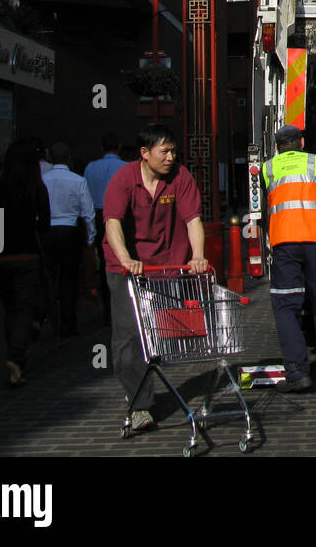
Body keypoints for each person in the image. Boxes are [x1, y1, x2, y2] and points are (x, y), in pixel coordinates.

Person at [103, 124, 211, 433]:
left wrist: (198, 255)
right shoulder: (124, 180)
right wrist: (126, 259)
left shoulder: (181, 178)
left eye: (173, 151)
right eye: (164, 151)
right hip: (126, 268)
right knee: (128, 339)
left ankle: (142, 383)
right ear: (144, 154)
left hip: (165, 266)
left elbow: (193, 219)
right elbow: (112, 222)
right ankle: (140, 407)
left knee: (157, 338)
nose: (170, 157)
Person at [261, 124, 316, 392]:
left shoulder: (268, 168)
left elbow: (267, 205)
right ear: (302, 142)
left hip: (285, 245)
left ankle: (298, 373)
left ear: (276, 147)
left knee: (287, 308)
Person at [0, 140, 51, 385]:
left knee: (10, 308)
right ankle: (17, 357)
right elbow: (44, 225)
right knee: (24, 308)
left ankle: (14, 354)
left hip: (0, 256)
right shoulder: (36, 189)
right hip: (27, 255)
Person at [42, 142, 96, 337]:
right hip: (70, 230)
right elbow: (87, 212)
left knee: (47, 276)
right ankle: (67, 323)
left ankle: (45, 317)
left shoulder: (43, 179)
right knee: (69, 279)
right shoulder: (77, 180)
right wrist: (90, 237)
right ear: (69, 158)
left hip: (48, 230)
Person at [84, 133, 125, 325]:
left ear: (102, 147)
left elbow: (86, 195)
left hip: (98, 214)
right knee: (123, 258)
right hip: (121, 217)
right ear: (119, 146)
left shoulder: (91, 167)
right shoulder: (125, 167)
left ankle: (107, 307)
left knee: (104, 261)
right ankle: (120, 305)